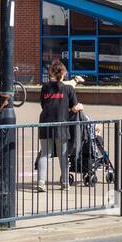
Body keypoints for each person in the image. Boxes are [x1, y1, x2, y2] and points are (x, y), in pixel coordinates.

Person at [36, 60, 82, 192]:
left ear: (51, 72)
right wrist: (78, 107)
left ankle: (41, 182)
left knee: (45, 153)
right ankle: (65, 182)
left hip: (45, 123)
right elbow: (74, 107)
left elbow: (43, 105)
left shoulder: (45, 87)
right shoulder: (68, 89)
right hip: (61, 125)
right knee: (63, 154)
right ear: (64, 74)